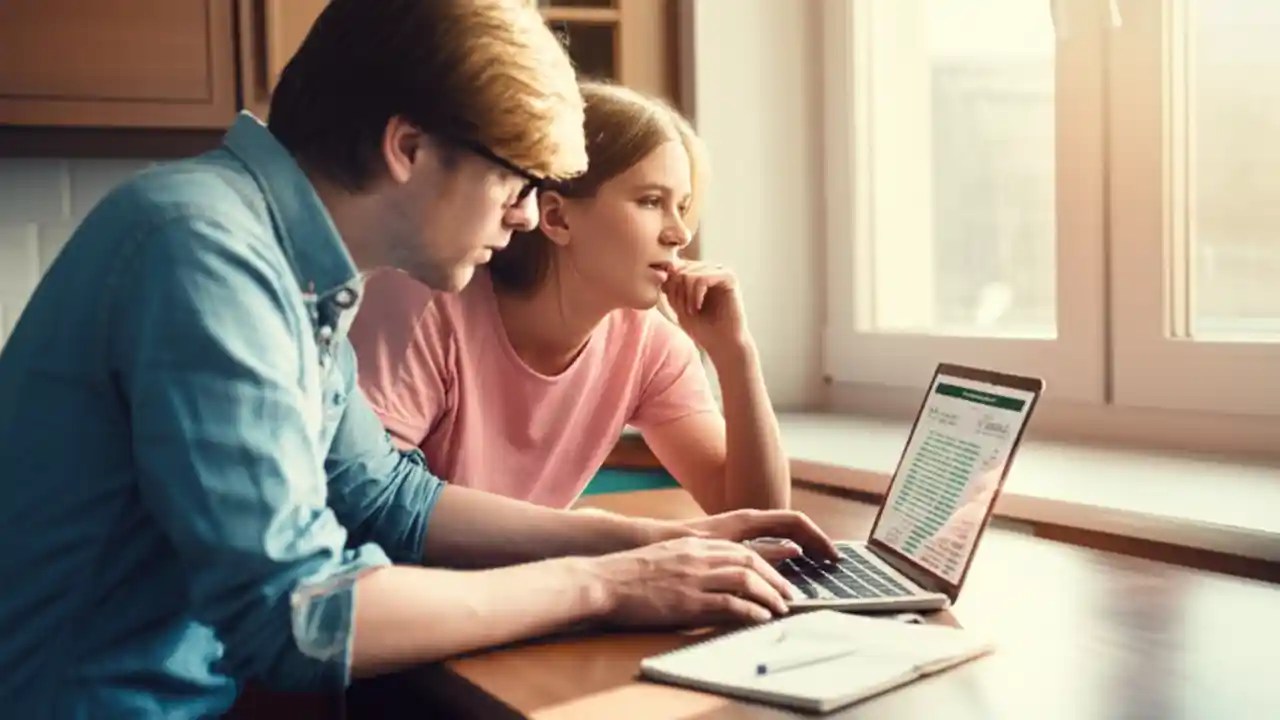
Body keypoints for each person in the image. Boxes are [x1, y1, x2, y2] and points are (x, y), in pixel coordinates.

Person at [0, 2, 836, 717]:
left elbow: (386, 496)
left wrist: (636, 547)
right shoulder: (205, 250)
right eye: (513, 180)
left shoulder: (280, 259)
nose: (518, 217)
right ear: (409, 147)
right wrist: (607, 584)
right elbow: (303, 616)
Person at [350, 82, 789, 513]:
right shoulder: (426, 303)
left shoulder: (652, 347)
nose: (680, 233)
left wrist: (735, 353)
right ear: (556, 217)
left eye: (682, 206)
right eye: (651, 201)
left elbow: (757, 515)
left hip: (533, 580)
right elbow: (368, 505)